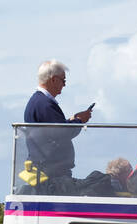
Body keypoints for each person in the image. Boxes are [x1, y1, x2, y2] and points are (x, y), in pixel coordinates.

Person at [20, 60, 93, 193]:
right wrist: (80, 120)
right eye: (63, 80)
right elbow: (62, 134)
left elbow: (52, 131)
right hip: (52, 173)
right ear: (53, 80)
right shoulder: (45, 104)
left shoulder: (39, 102)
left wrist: (70, 121)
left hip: (46, 169)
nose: (64, 85)